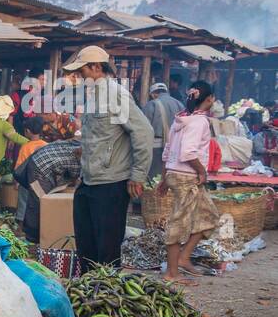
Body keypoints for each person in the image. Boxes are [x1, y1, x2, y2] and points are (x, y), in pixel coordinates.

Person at [62, 45, 154, 271]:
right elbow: (102, 135)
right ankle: (88, 293)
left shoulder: (115, 94)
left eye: (81, 70)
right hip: (90, 180)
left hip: (111, 182)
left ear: (95, 68)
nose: (79, 76)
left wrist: (138, 175)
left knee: (107, 249)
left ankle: (105, 294)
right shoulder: (94, 95)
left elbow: (143, 132)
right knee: (86, 245)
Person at [158, 80, 220, 285]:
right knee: (178, 222)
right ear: (209, 99)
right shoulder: (199, 122)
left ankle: (184, 258)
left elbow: (168, 150)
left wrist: (164, 177)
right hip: (187, 177)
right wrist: (202, 171)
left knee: (209, 216)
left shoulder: (182, 118)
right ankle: (172, 273)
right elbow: (187, 152)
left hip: (176, 174)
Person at [14, 137, 82, 244]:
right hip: (39, 169)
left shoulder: (79, 143)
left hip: (40, 161)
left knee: (40, 201)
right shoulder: (81, 157)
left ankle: (34, 234)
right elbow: (75, 179)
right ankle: (33, 238)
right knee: (39, 201)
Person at [144, 82, 178, 178]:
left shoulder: (152, 104)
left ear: (154, 94)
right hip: (175, 147)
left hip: (157, 148)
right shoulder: (179, 103)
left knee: (155, 177)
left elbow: (143, 127)